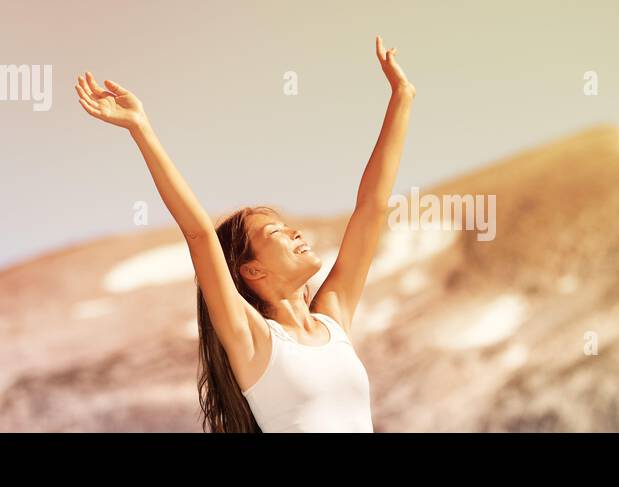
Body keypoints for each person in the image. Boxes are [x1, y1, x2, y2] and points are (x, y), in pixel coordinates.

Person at [75, 36, 414, 432]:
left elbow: (371, 207)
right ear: (251, 270)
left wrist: (402, 96)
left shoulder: (333, 320)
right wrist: (141, 129)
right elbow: (199, 233)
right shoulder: (253, 340)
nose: (294, 233)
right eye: (275, 232)